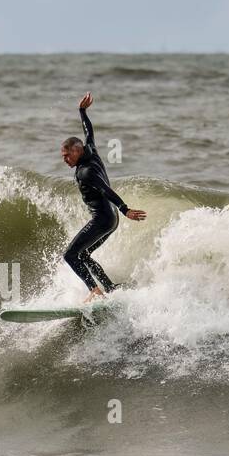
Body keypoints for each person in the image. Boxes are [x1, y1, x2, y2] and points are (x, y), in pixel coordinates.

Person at [60, 93, 146, 302]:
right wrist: (82, 111)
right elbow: (88, 131)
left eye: (67, 155)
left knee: (70, 256)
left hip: (103, 218)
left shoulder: (85, 171)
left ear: (77, 151)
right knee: (84, 255)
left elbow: (105, 189)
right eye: (63, 156)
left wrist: (125, 208)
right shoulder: (91, 150)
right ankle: (109, 288)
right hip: (111, 218)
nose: (65, 160)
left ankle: (94, 290)